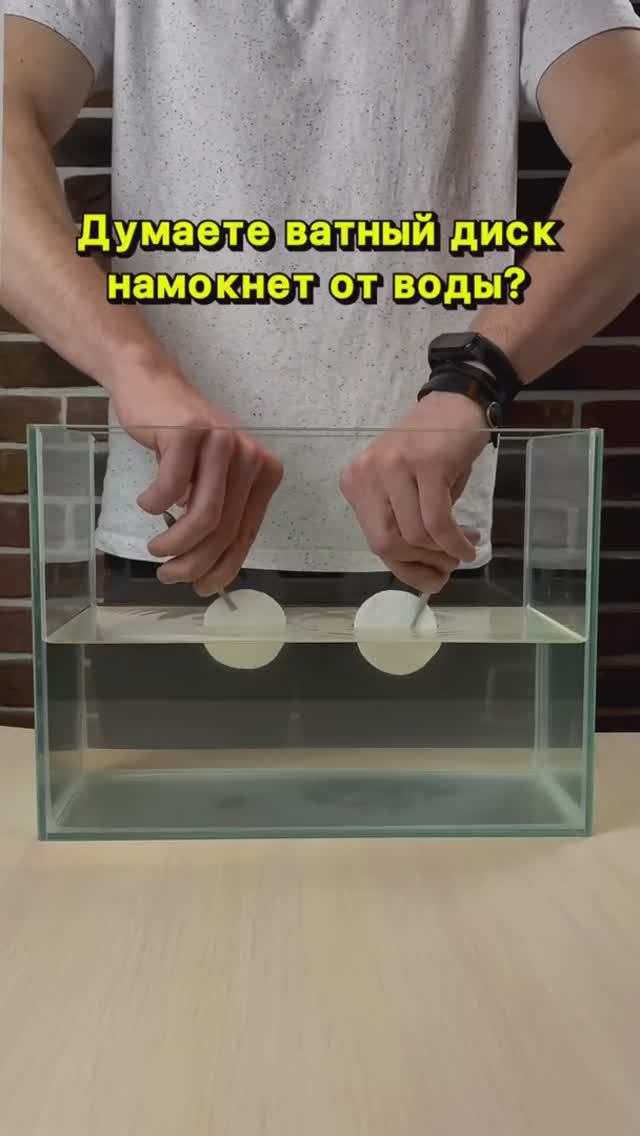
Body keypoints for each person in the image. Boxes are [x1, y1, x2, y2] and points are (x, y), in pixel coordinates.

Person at [3, 2, 640, 763]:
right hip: (182, 522)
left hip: (423, 542)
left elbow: (631, 142)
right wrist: (134, 367)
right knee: (167, 832)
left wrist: (477, 376)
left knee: (430, 837)